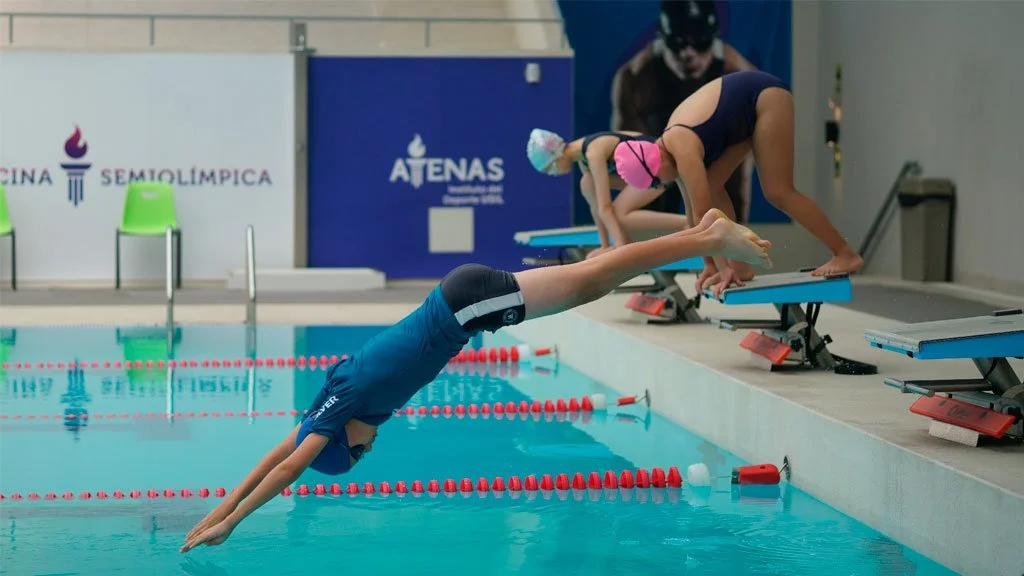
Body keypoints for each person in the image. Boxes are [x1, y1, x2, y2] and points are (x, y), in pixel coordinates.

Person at [179, 208, 772, 553]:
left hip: (465, 306)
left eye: (355, 457)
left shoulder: (344, 406)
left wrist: (234, 523)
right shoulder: (342, 406)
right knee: (591, 276)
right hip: (461, 299)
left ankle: (704, 239)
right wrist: (216, 512)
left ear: (340, 442)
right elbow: (278, 452)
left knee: (596, 280)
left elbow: (289, 466)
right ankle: (705, 230)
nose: (368, 451)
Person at [612, 69, 863, 298]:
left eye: (656, 183)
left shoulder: (681, 145)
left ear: (656, 164)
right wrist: (710, 265)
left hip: (765, 99)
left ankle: (845, 253)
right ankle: (740, 268)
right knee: (711, 186)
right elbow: (692, 218)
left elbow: (704, 214)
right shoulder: (669, 151)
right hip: (742, 116)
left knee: (778, 191)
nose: (660, 186)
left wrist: (722, 269)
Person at [611, 0, 757, 223]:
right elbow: (633, 159)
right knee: (649, 178)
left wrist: (735, 230)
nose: (688, 54)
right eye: (677, 43)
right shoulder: (636, 78)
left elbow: (739, 171)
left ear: (714, 38)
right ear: (663, 38)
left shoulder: (736, 74)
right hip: (660, 148)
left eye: (700, 43)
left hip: (716, 149)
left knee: (726, 198)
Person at [527, 128, 691, 259]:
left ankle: (686, 224)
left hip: (659, 169)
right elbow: (596, 206)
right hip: (645, 172)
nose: (553, 174)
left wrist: (620, 249)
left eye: (549, 168)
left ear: (557, 156)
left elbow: (605, 207)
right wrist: (605, 246)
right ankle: (613, 243)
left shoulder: (592, 153)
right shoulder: (582, 155)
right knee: (587, 183)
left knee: (618, 216)